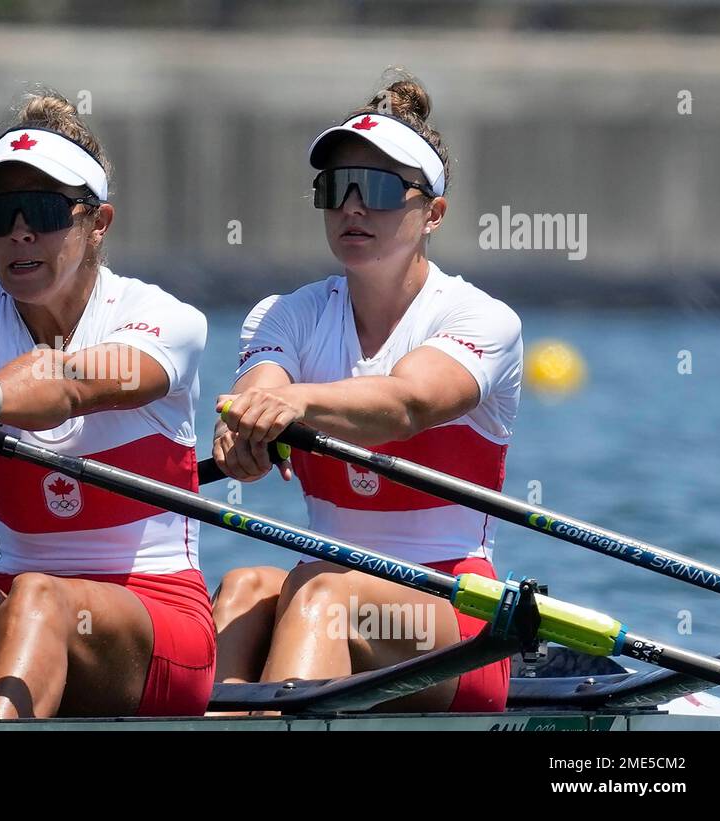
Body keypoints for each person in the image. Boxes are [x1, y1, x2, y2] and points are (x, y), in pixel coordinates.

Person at [0, 90, 213, 728]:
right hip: (20, 609)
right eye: (0, 213)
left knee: (39, 596)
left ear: (97, 223)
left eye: (46, 211)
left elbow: (71, 381)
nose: (20, 231)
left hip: (161, 630)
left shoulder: (164, 320)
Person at [211, 74, 523, 712]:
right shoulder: (283, 316)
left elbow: (406, 406)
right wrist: (243, 431)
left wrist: (296, 405)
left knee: (325, 592)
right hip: (328, 585)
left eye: (378, 190)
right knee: (244, 583)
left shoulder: (482, 320)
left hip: (459, 615)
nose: (352, 207)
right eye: (335, 189)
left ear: (433, 212)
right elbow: (257, 391)